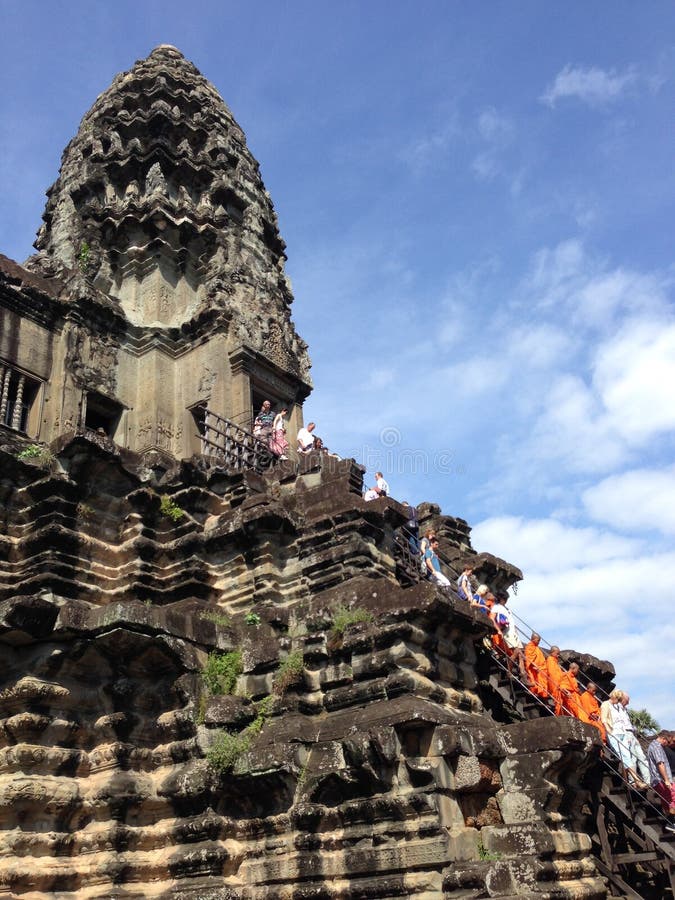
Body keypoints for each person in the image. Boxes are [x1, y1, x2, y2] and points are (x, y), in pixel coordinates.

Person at [617, 692, 651, 788]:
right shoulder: (617, 708)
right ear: (622, 699)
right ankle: (633, 781)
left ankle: (647, 781)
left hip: (632, 733)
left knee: (642, 757)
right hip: (626, 733)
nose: (628, 702)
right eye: (627, 700)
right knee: (632, 758)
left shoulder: (625, 710)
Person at [646, 731, 675, 827]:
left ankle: (671, 823)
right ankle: (670, 823)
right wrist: (666, 780)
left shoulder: (655, 746)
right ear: (664, 739)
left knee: (667, 802)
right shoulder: (657, 747)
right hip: (661, 780)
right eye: (668, 742)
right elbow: (660, 764)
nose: (669, 744)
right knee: (673, 798)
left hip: (658, 780)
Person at [524, 633, 548, 699]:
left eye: (539, 641)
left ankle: (541, 695)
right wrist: (534, 665)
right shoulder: (529, 646)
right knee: (533, 681)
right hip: (533, 668)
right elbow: (529, 657)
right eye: (538, 640)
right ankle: (534, 693)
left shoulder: (537, 648)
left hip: (540, 668)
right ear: (533, 639)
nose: (539, 642)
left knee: (541, 682)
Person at [546, 646, 564, 715]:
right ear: (552, 652)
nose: (558, 655)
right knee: (558, 703)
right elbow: (552, 674)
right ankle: (558, 715)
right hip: (555, 684)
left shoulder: (554, 661)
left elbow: (558, 673)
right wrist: (559, 684)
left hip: (558, 683)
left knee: (560, 703)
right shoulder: (550, 660)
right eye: (557, 653)